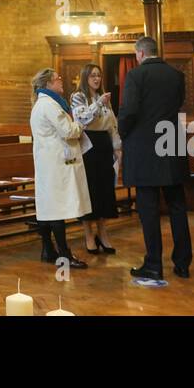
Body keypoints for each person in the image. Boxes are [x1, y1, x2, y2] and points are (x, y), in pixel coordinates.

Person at [118, 36, 192, 285]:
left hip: (145, 149)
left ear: (139, 53)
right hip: (171, 142)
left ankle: (153, 265)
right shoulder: (176, 75)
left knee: (148, 209)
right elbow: (178, 103)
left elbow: (129, 110)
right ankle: (182, 263)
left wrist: (124, 133)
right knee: (177, 206)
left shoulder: (136, 76)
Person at [29, 68, 89, 269]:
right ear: (48, 84)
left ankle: (48, 250)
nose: (61, 80)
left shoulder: (42, 104)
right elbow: (68, 130)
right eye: (57, 78)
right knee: (56, 210)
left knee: (48, 208)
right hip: (55, 164)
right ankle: (64, 255)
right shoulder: (50, 106)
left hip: (48, 163)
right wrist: (80, 124)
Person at [71, 64, 119, 254]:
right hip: (88, 146)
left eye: (98, 75)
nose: (96, 79)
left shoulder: (104, 98)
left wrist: (117, 147)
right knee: (90, 191)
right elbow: (82, 119)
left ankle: (103, 232)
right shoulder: (78, 97)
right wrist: (98, 104)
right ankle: (89, 234)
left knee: (105, 190)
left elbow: (112, 124)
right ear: (85, 77)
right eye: (92, 76)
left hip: (104, 145)